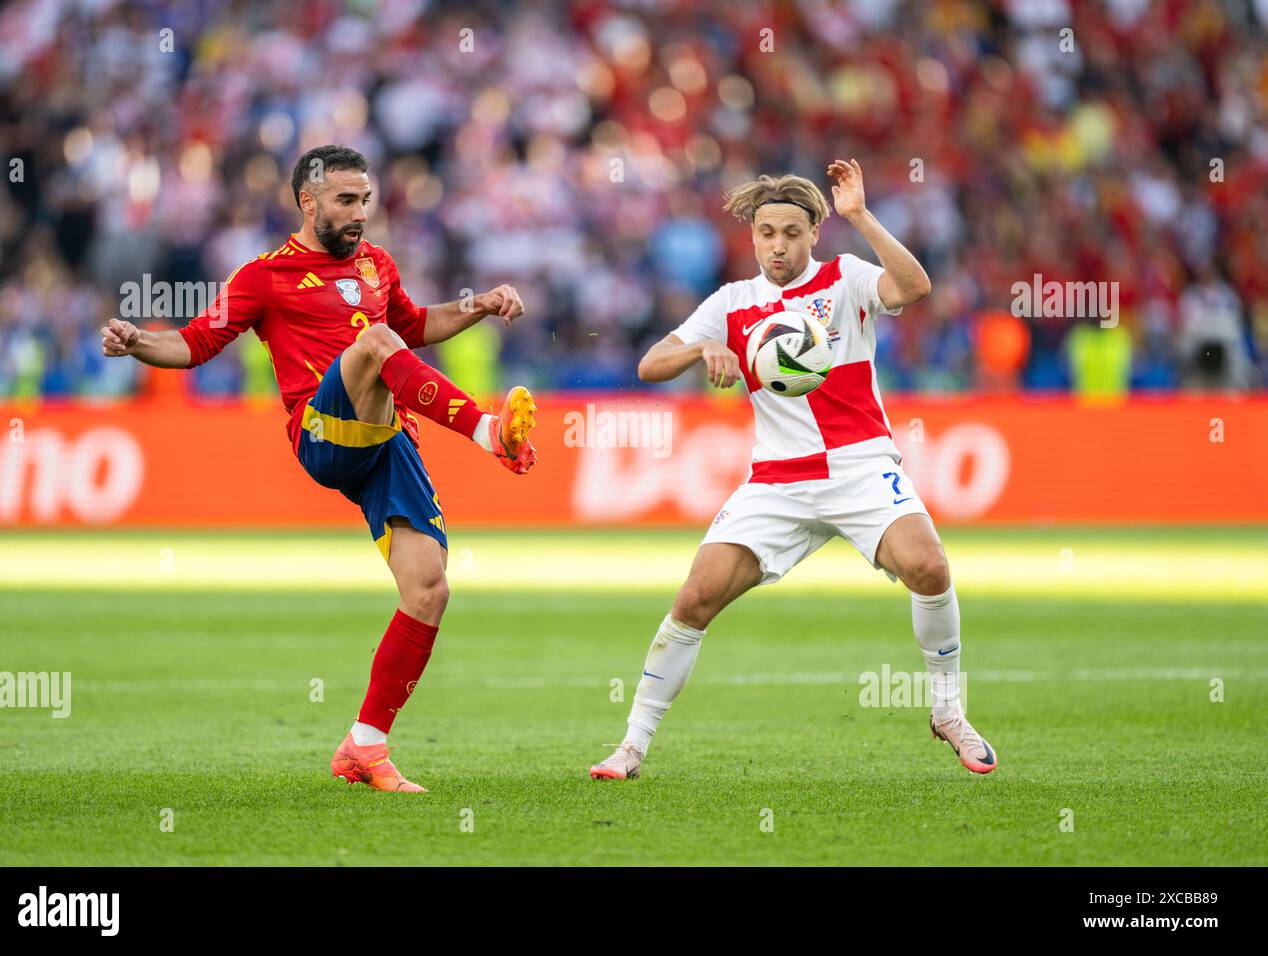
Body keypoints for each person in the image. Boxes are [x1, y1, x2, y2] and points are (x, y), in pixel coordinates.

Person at [102, 144, 538, 793]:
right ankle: (487, 430)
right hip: (323, 431)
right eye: (345, 201)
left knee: (429, 588)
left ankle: (365, 746)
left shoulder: (377, 265)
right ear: (309, 202)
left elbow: (414, 326)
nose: (359, 212)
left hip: (387, 439)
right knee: (374, 342)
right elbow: (194, 345)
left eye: (364, 199)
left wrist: (477, 305)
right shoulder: (264, 276)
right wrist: (139, 342)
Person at [589, 160, 996, 780]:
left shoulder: (846, 278)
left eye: (791, 233)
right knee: (695, 597)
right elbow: (650, 364)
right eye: (766, 232)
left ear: (813, 235)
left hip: (861, 466)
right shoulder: (734, 302)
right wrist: (703, 347)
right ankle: (632, 745)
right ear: (752, 236)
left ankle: (948, 712)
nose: (777, 245)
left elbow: (914, 288)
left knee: (929, 566)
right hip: (777, 480)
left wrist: (860, 215)